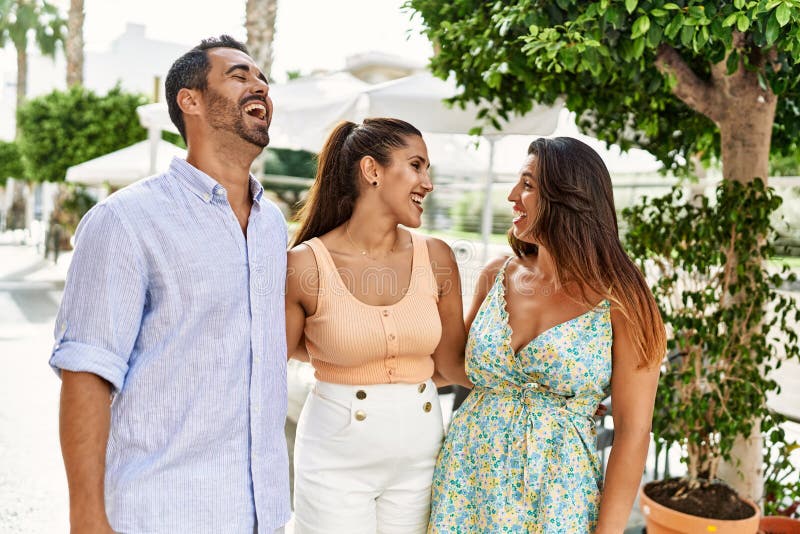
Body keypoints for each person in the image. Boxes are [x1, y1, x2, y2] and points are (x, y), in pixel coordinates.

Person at [49, 36, 290, 534]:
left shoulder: (272, 226)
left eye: (262, 77)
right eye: (240, 74)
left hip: (262, 514)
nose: (260, 85)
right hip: (161, 511)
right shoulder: (125, 220)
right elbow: (86, 373)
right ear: (191, 100)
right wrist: (87, 520)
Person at [428, 137, 666, 533]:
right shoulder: (497, 274)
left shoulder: (624, 300)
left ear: (568, 198)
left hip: (558, 496)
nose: (511, 196)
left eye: (527, 184)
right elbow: (454, 366)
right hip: (464, 482)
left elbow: (634, 432)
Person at [285, 118, 469, 534]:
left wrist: (546, 395)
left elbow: (454, 364)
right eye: (417, 165)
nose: (428, 182)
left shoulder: (438, 258)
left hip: (420, 451)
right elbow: (279, 353)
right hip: (335, 456)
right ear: (372, 171)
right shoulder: (303, 265)